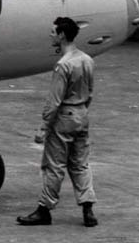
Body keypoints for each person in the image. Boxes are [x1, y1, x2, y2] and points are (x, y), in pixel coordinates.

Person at [18, 16, 97, 227]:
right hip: (82, 114)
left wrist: (44, 126)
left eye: (53, 32)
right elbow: (89, 93)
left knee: (54, 165)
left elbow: (54, 100)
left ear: (62, 35)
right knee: (80, 163)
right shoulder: (87, 60)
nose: (51, 35)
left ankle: (45, 208)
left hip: (64, 117)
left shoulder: (63, 65)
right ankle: (87, 206)